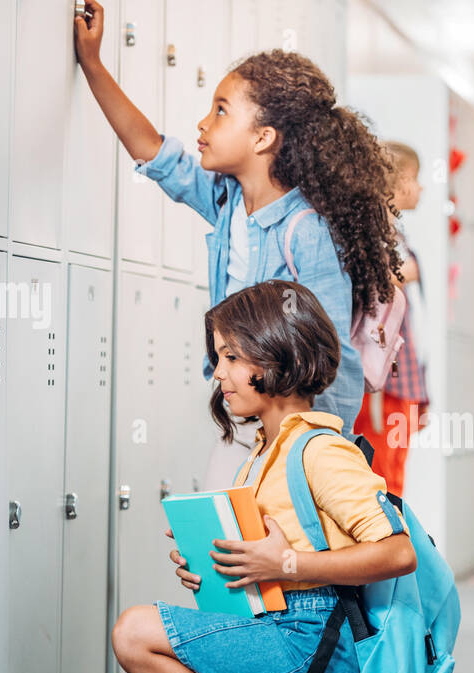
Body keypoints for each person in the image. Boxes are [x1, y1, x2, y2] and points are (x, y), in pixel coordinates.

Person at [103, 281, 416, 673]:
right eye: (217, 357)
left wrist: (285, 561)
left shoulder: (321, 450)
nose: (218, 373)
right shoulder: (261, 454)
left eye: (230, 356)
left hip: (309, 652)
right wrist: (214, 566)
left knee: (133, 630)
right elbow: (266, 567)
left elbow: (397, 552)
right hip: (271, 630)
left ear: (278, 352)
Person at [74, 1, 401, 469]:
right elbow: (151, 151)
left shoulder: (308, 232)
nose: (203, 124)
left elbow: (334, 358)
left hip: (294, 437)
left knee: (249, 541)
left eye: (222, 111)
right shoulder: (228, 202)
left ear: (263, 138)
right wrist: (93, 64)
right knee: (214, 537)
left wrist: (327, 454)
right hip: (242, 422)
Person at [354, 141, 431, 497]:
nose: (421, 188)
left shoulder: (396, 234)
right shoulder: (371, 233)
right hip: (384, 385)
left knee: (394, 471)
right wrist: (406, 271)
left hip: (403, 382)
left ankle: (395, 547)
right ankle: (386, 549)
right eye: (415, 178)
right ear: (395, 183)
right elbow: (372, 286)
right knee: (380, 475)